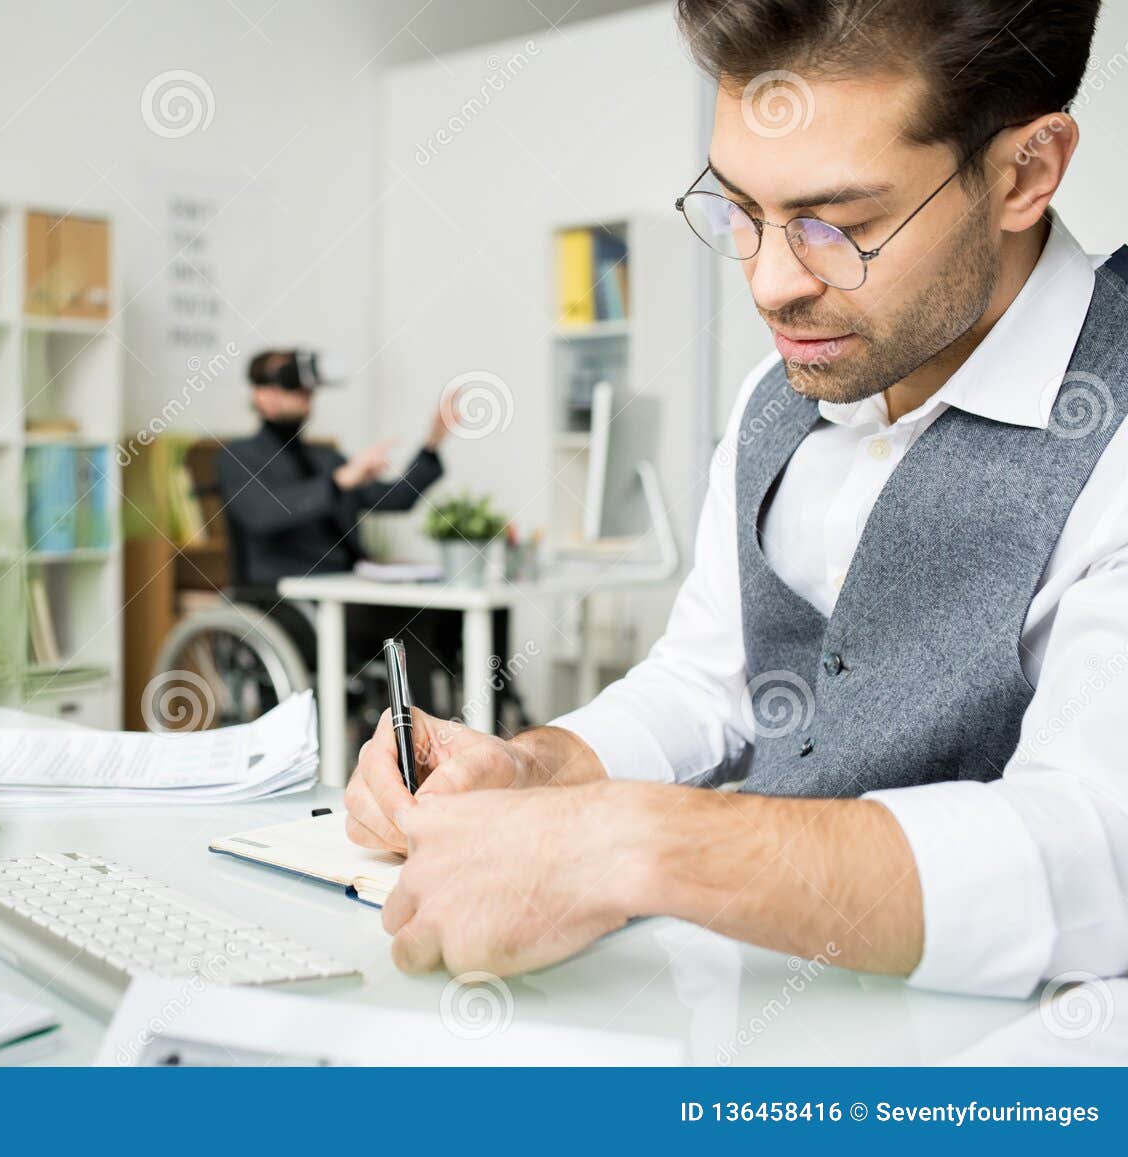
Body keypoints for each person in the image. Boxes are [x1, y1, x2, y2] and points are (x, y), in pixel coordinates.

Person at [347, 0, 1128, 999]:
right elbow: (706, 682)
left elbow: (1096, 848)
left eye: (836, 225)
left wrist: (632, 840)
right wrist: (535, 769)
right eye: (740, 212)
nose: (768, 285)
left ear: (1024, 171)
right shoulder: (782, 394)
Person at [216, 349, 472, 711]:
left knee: (447, 613)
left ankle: (459, 727)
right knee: (409, 623)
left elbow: (394, 499)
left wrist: (431, 444)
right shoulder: (237, 458)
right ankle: (420, 743)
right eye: (292, 385)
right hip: (286, 603)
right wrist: (339, 482)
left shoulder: (325, 458)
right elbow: (264, 514)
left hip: (348, 591)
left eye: (308, 388)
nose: (305, 395)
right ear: (261, 395)